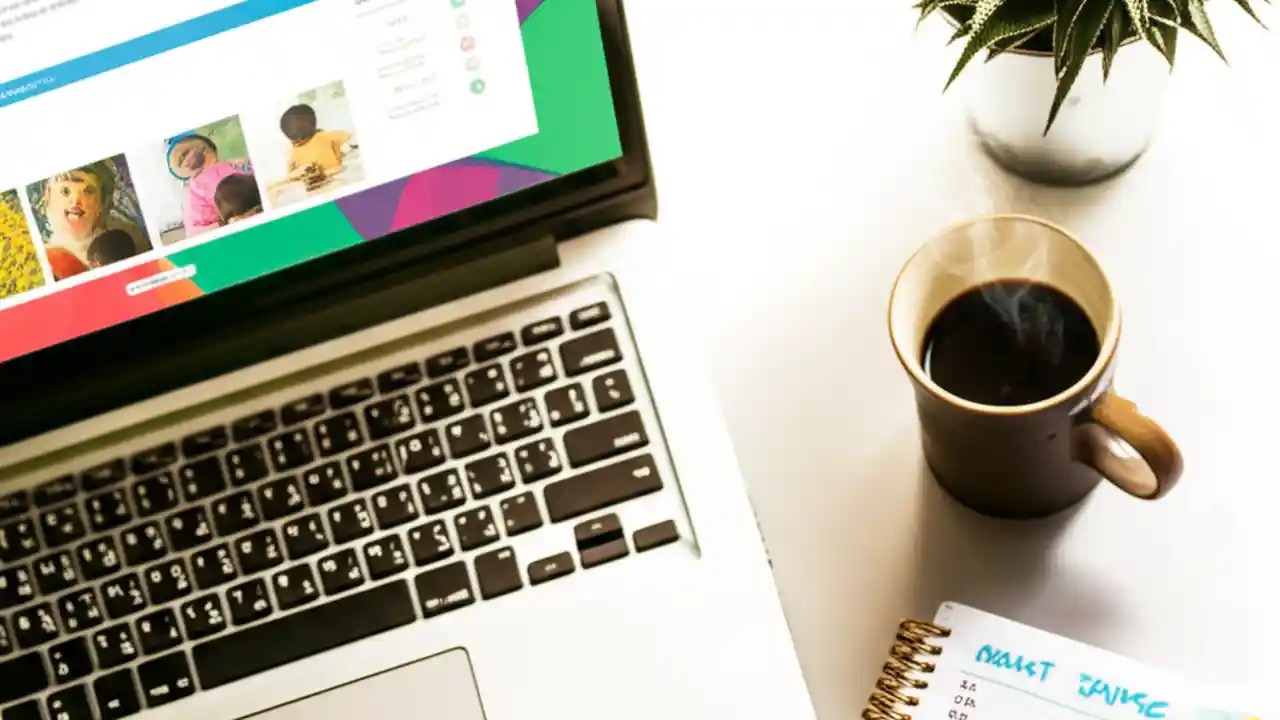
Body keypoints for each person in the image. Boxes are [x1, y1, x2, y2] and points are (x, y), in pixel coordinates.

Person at [38, 160, 145, 269]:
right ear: (48, 197)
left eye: (88, 192)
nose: (75, 201)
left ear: (104, 202)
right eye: (65, 192)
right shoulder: (45, 255)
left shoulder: (118, 245)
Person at [166, 133, 253, 238]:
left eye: (202, 150)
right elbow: (195, 229)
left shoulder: (234, 164)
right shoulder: (193, 192)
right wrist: (222, 226)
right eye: (182, 159)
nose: (190, 156)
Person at [279, 104, 355, 179]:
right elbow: (351, 138)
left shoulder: (293, 154)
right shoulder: (328, 136)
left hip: (313, 182)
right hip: (336, 174)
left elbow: (291, 176)